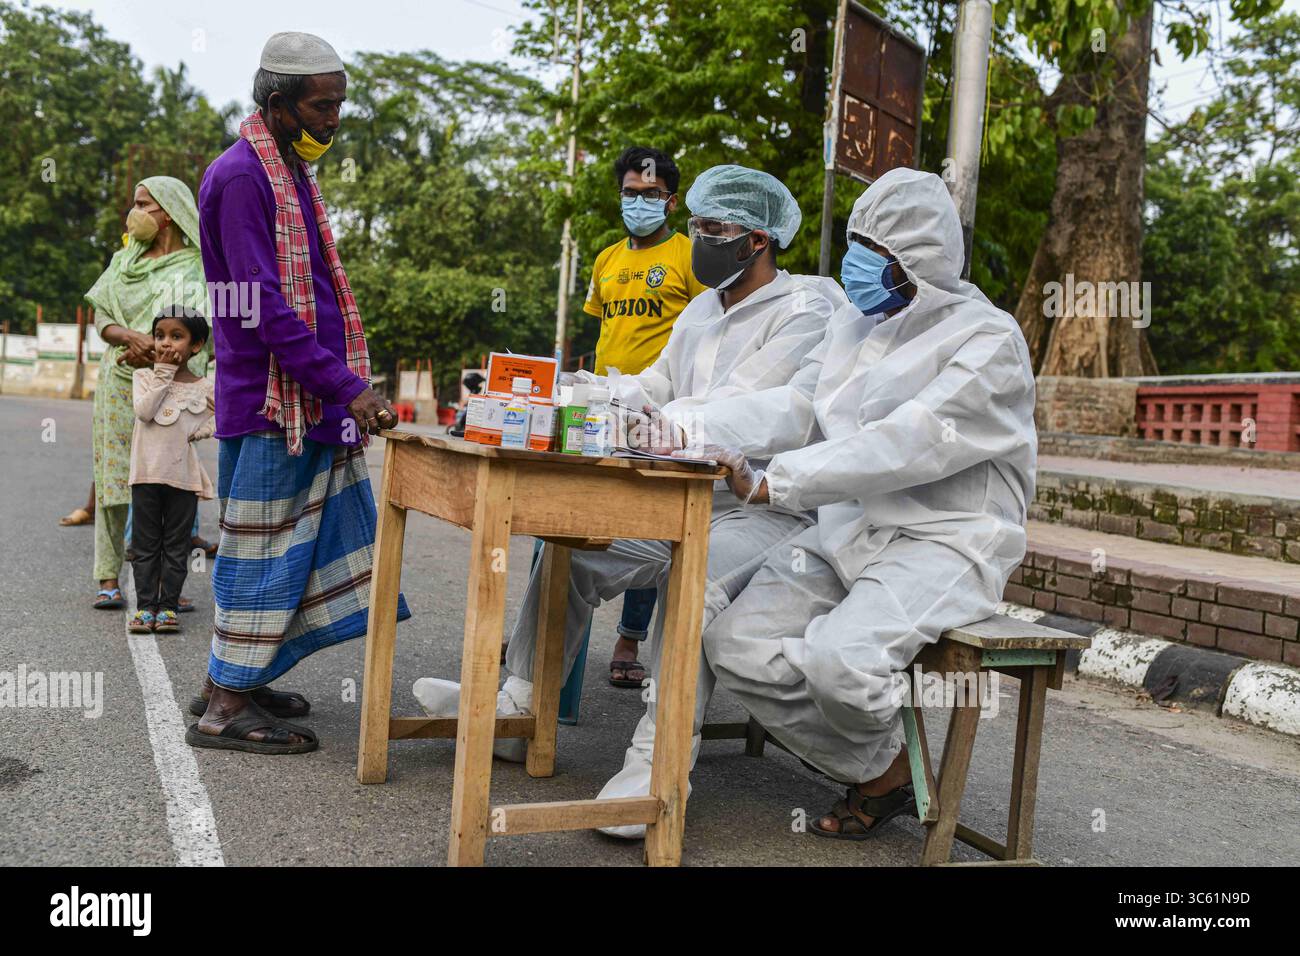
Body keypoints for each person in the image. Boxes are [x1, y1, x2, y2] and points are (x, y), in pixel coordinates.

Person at [413, 164, 847, 828]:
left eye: (713, 228)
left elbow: (785, 410)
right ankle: (518, 711)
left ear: (759, 239)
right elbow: (656, 382)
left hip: (767, 508)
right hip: (681, 491)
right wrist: (593, 394)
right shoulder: (703, 309)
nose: (698, 239)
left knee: (689, 584)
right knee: (575, 555)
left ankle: (656, 773)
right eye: (696, 224)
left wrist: (678, 424)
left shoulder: (811, 305)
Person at [688, 168, 1037, 839]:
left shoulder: (987, 341)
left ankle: (882, 763)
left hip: (946, 541)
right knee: (734, 643)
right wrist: (689, 426)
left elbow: (904, 443)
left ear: (921, 263)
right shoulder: (852, 325)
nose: (856, 266)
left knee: (840, 663)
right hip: (848, 527)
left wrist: (774, 481)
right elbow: (797, 405)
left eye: (875, 254)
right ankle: (887, 768)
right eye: (855, 245)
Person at [187, 31, 406, 755]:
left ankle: (244, 674)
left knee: (299, 544)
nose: (335, 118)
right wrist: (348, 387)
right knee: (264, 550)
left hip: (301, 400)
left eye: (340, 103)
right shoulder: (242, 176)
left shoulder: (287, 170)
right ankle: (222, 704)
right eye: (323, 105)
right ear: (278, 103)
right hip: (270, 405)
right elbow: (260, 308)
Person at [581, 145, 707, 688]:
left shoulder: (689, 256)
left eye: (650, 194)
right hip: (600, 405)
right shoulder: (606, 259)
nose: (638, 202)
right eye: (630, 193)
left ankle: (629, 642)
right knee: (572, 515)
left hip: (661, 411)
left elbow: (706, 329)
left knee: (649, 523)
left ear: (671, 201)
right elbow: (603, 329)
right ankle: (547, 628)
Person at [85, 176, 211, 611]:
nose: (134, 213)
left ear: (170, 212)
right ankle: (108, 577)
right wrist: (129, 338)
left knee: (164, 481)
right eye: (134, 203)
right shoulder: (125, 259)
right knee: (114, 479)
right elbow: (101, 313)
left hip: (171, 388)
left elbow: (199, 328)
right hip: (118, 383)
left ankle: (162, 584)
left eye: (144, 204)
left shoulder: (196, 266)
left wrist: (158, 354)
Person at [126, 308, 215, 635]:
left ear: (196, 345)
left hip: (183, 477)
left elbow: (221, 419)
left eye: (176, 336)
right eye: (160, 335)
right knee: (145, 545)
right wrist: (162, 373)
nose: (165, 343)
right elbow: (145, 412)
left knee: (176, 547)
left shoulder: (205, 387)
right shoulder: (144, 378)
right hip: (146, 475)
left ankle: (168, 607)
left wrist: (204, 430)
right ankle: (145, 607)